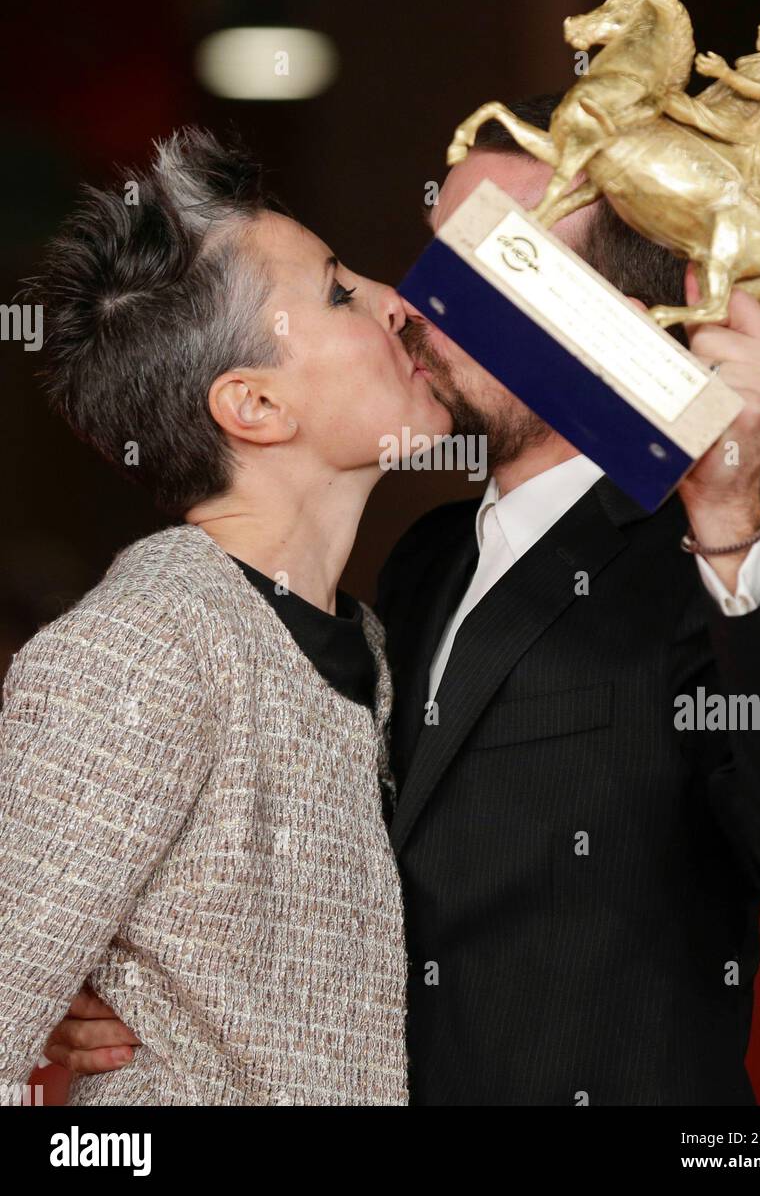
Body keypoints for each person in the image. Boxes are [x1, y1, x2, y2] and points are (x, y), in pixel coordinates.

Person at [43, 98, 760, 1106]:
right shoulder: (412, 571)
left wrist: (730, 517)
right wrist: (160, 990)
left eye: (486, 271)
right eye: (431, 257)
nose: (413, 303)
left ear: (619, 323)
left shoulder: (729, 568)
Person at [0, 127, 454, 1105]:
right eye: (338, 291)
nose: (397, 304)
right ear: (252, 404)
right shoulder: (139, 649)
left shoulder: (372, 645)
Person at [663, 6, 760, 210]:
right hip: (718, 112)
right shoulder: (758, 62)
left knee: (662, 98)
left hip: (734, 122)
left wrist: (724, 73)